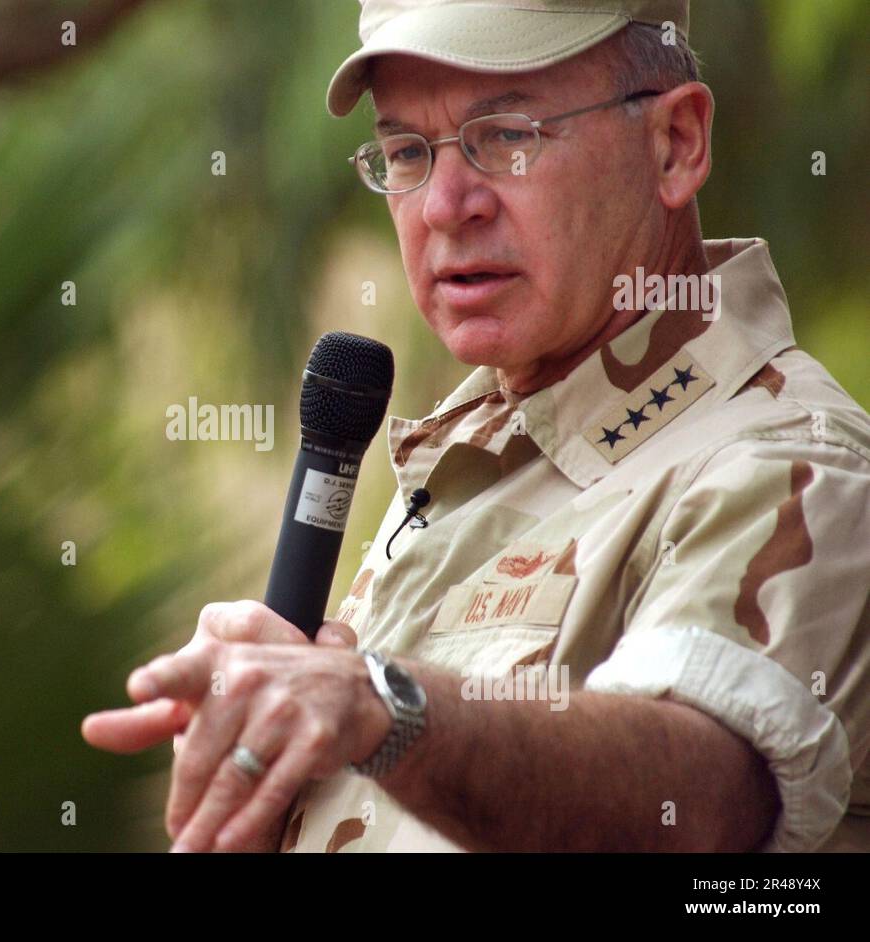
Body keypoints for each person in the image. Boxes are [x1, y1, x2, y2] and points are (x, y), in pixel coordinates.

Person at [82, 0, 870, 853]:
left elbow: (695, 805)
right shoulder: (477, 455)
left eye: (506, 136)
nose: (444, 207)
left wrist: (378, 706)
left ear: (674, 144)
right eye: (407, 153)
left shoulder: (794, 467)